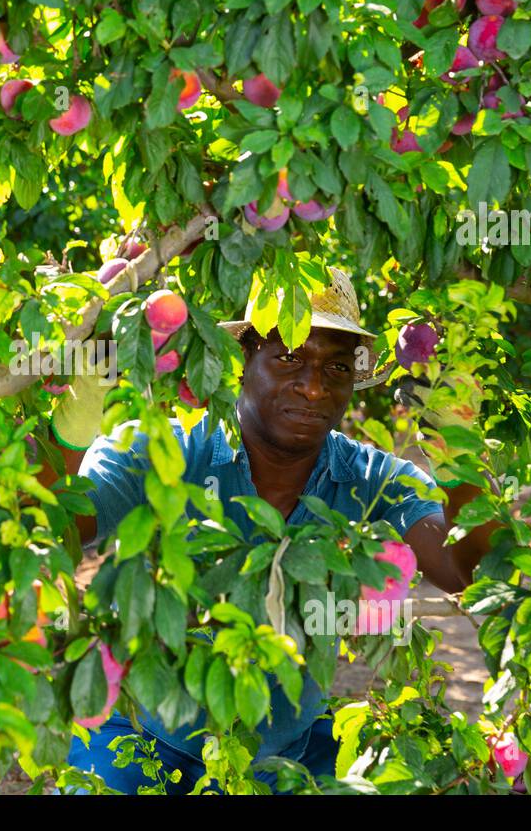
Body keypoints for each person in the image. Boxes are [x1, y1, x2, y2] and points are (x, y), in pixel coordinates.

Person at [42, 268, 497, 794]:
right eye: (288, 358)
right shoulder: (160, 450)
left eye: (336, 367)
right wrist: (79, 403)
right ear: (241, 363)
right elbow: (61, 529)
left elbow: (465, 570)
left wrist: (458, 445)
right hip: (134, 741)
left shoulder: (371, 482)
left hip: (279, 757)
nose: (313, 386)